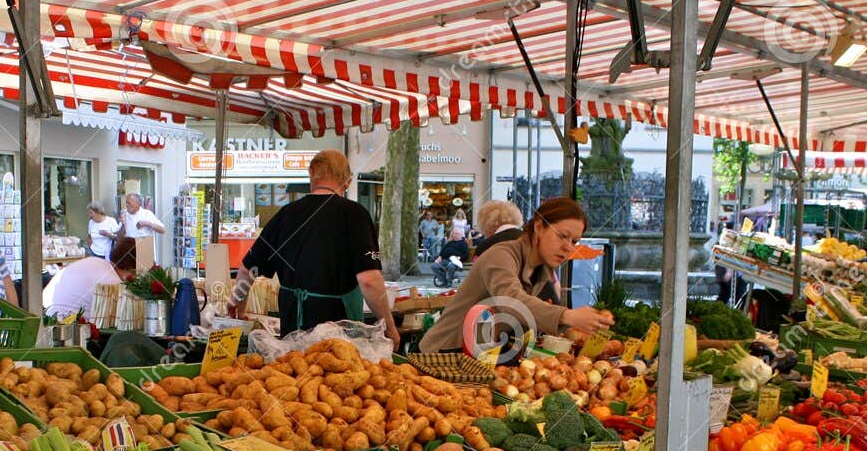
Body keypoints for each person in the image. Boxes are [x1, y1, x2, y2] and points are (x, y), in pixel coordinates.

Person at [224, 149, 399, 347]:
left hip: (292, 334)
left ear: (311, 174)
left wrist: (237, 300)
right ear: (348, 181)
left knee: (294, 376)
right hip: (338, 340)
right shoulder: (355, 214)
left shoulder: (286, 214)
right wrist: (389, 328)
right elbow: (368, 280)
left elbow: (248, 270)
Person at [420, 196, 612, 353]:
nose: (568, 247)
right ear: (539, 227)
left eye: (574, 241)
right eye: (562, 236)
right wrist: (568, 316)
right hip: (444, 352)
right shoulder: (501, 254)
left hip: (482, 354)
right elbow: (511, 299)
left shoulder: (542, 268)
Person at [45, 234, 137, 324]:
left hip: (48, 319)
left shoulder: (95, 261)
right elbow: (125, 319)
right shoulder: (113, 282)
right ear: (130, 268)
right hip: (69, 329)